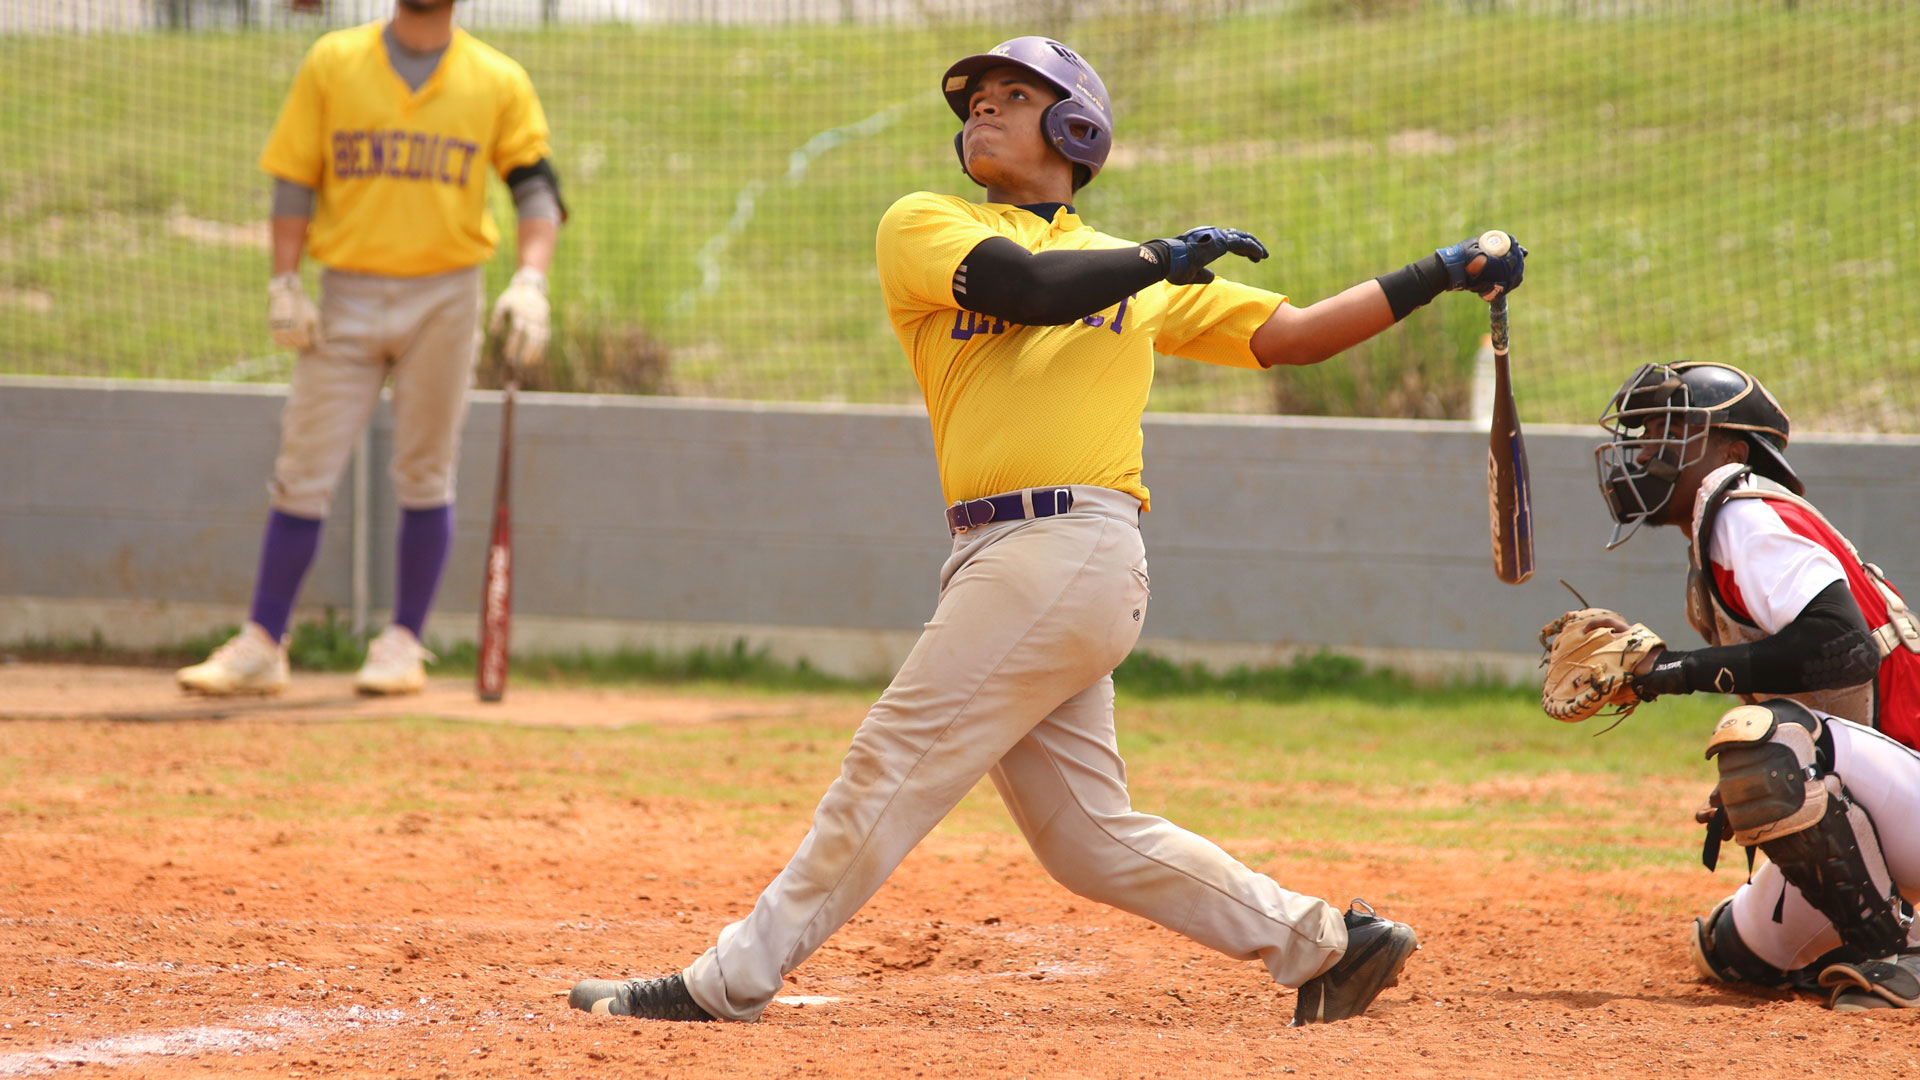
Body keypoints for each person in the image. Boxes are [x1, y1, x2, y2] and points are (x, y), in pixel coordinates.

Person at [567, 35, 1523, 1026]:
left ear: (1076, 127)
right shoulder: (926, 224)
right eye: (976, 98)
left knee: (888, 764)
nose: (981, 107)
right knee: (1086, 837)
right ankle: (1329, 943)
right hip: (1004, 557)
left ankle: (725, 983)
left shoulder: (1139, 277)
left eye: (1012, 95)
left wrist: (1443, 271)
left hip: (1069, 549)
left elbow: (1292, 336)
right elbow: (1023, 288)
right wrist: (1154, 258)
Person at [175, 0, 563, 697]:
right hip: (348, 289)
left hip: (447, 293)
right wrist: (285, 282)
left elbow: (535, 187)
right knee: (303, 467)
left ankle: (402, 644)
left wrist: (532, 281)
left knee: (426, 470)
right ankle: (264, 643)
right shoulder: (334, 61)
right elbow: (295, 177)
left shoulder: (497, 78)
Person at [1576, 361, 1920, 1011]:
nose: (1645, 448)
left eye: (1668, 430)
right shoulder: (1725, 529)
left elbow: (1838, 646)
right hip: (1900, 799)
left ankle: (1898, 953)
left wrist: (1673, 674)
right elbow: (1824, 674)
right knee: (1729, 953)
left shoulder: (1742, 509)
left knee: (1765, 747)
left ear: (1732, 451)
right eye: (1644, 431)